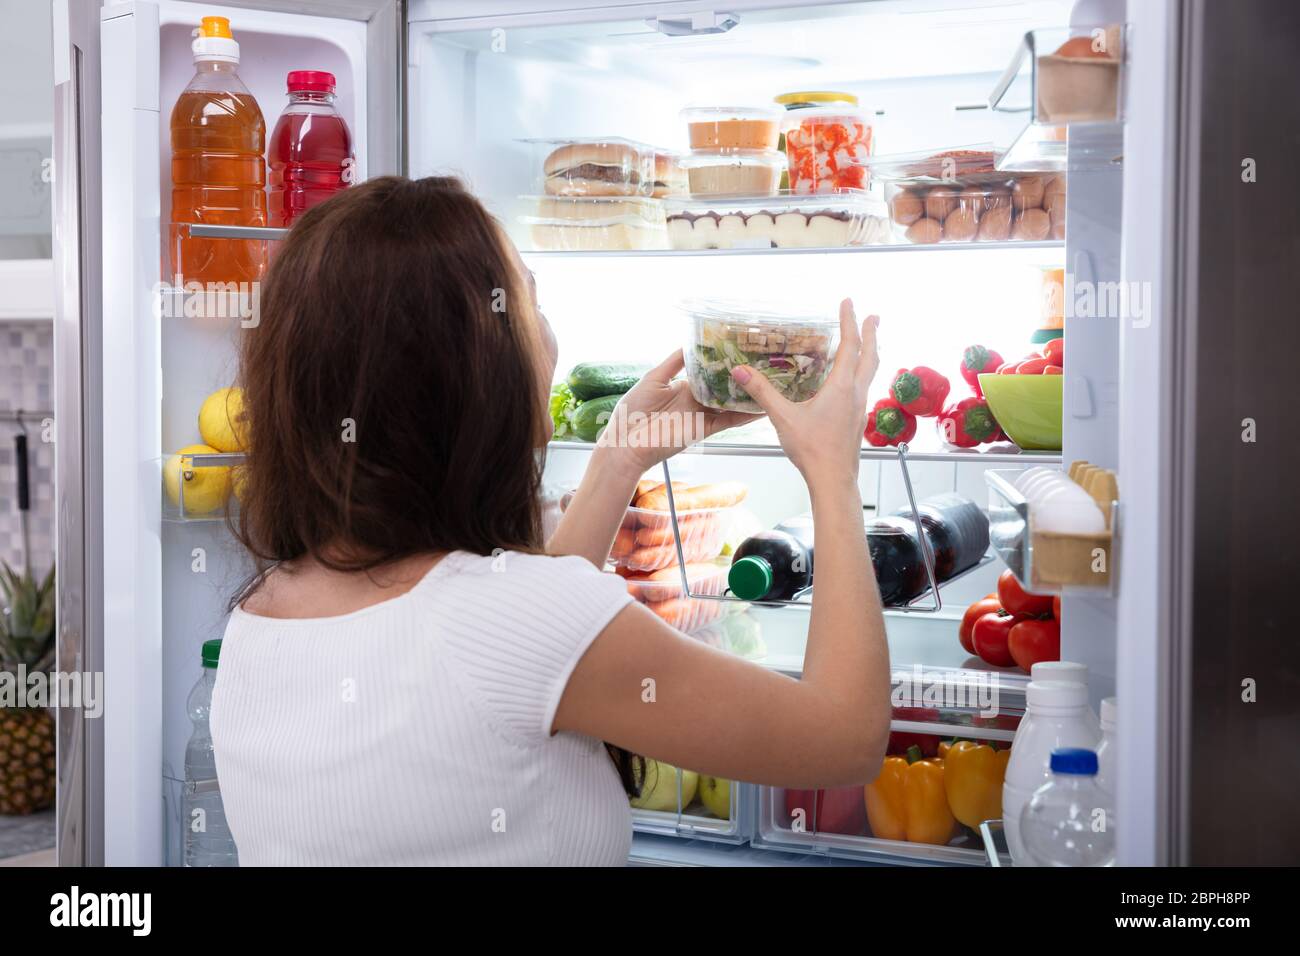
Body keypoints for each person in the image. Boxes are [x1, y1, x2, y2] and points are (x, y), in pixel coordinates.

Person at [210, 176, 890, 865]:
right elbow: (844, 738)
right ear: (471, 368)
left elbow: (514, 648)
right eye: (526, 300)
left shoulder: (258, 615)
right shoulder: (514, 618)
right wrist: (833, 475)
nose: (548, 334)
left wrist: (618, 462)